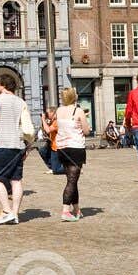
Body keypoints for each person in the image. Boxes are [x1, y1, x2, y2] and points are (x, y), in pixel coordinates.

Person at [0, 76, 28, 225]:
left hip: (3, 144)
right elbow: (25, 124)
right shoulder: (21, 101)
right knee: (16, 180)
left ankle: (7, 210)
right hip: (19, 145)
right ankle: (15, 214)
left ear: (3, 85)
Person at [51, 87, 90, 221]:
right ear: (74, 96)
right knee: (72, 181)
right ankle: (65, 211)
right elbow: (86, 131)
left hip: (62, 148)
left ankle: (77, 209)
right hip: (75, 148)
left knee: (72, 180)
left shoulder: (59, 110)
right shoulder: (78, 111)